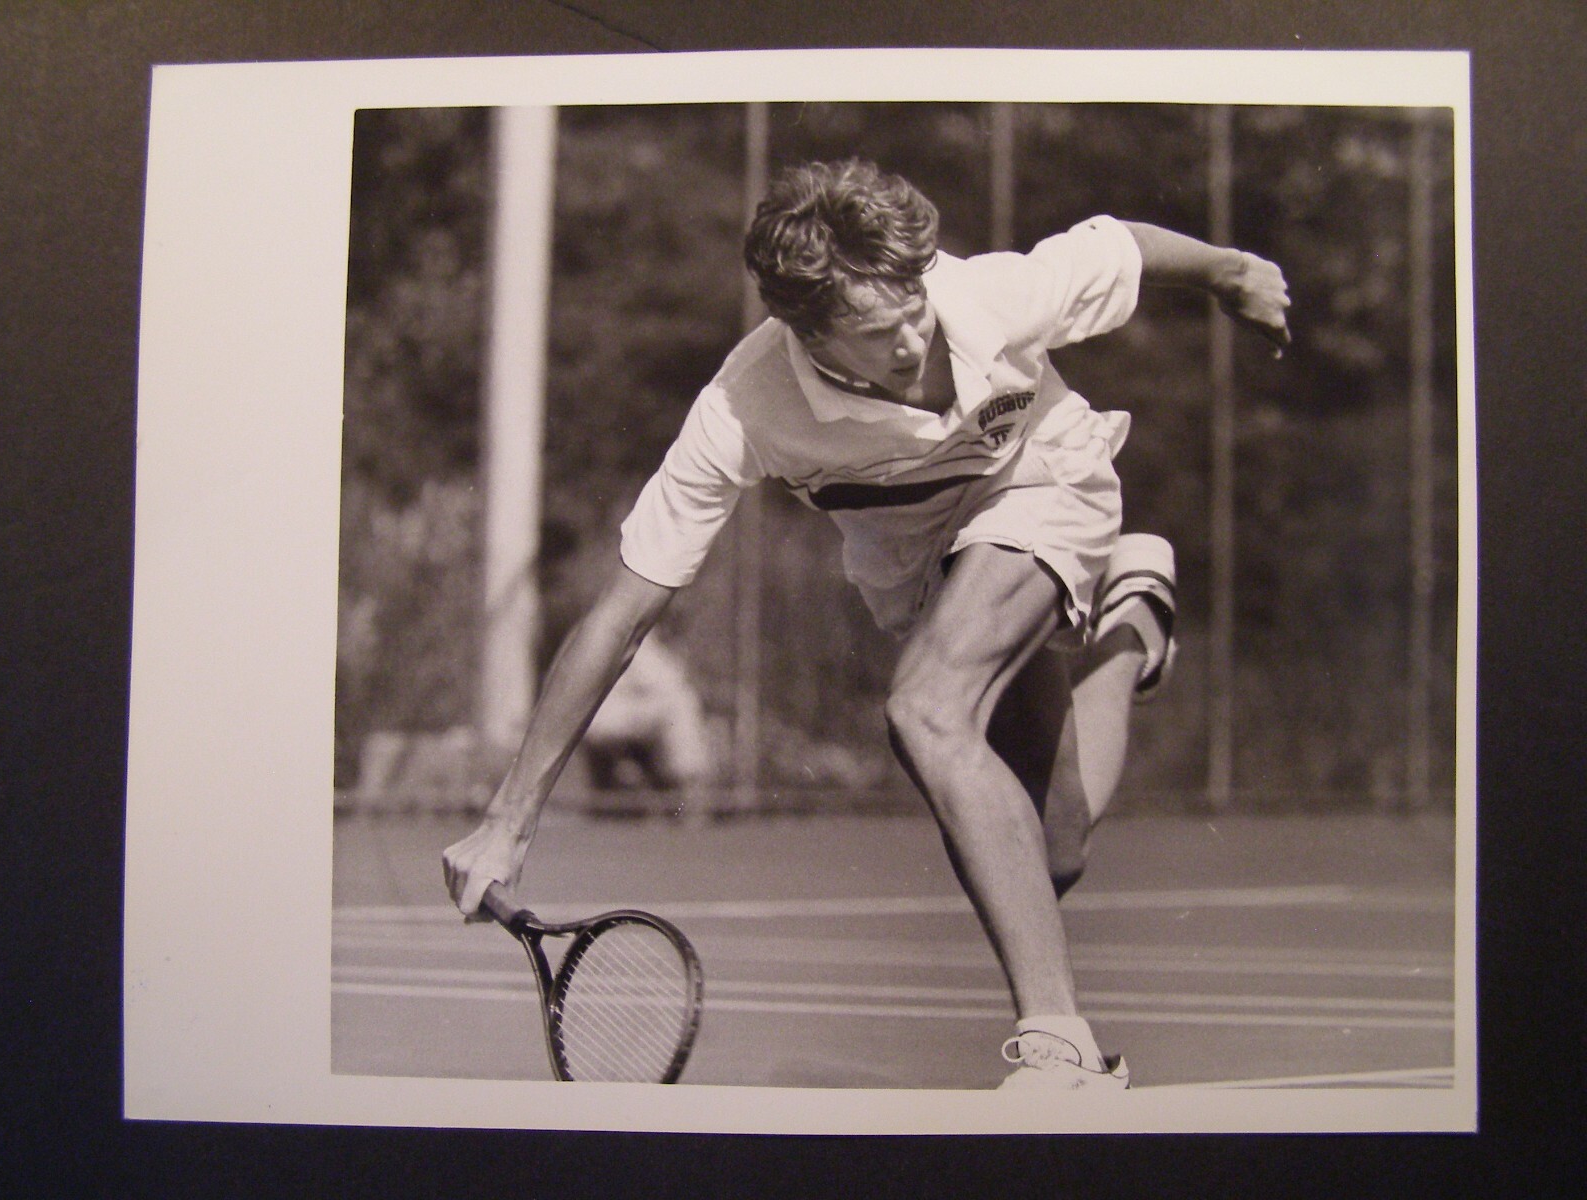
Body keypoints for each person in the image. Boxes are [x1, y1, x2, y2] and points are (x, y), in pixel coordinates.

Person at [443, 158, 1291, 1091]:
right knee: (1051, 851)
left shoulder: (989, 296)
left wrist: (1229, 269)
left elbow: (1117, 243)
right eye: (878, 333)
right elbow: (624, 612)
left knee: (927, 709)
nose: (912, 340)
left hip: (1042, 482)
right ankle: (1132, 622)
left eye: (914, 309)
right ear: (804, 333)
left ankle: (1061, 1047)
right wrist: (507, 823)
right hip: (918, 565)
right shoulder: (743, 406)